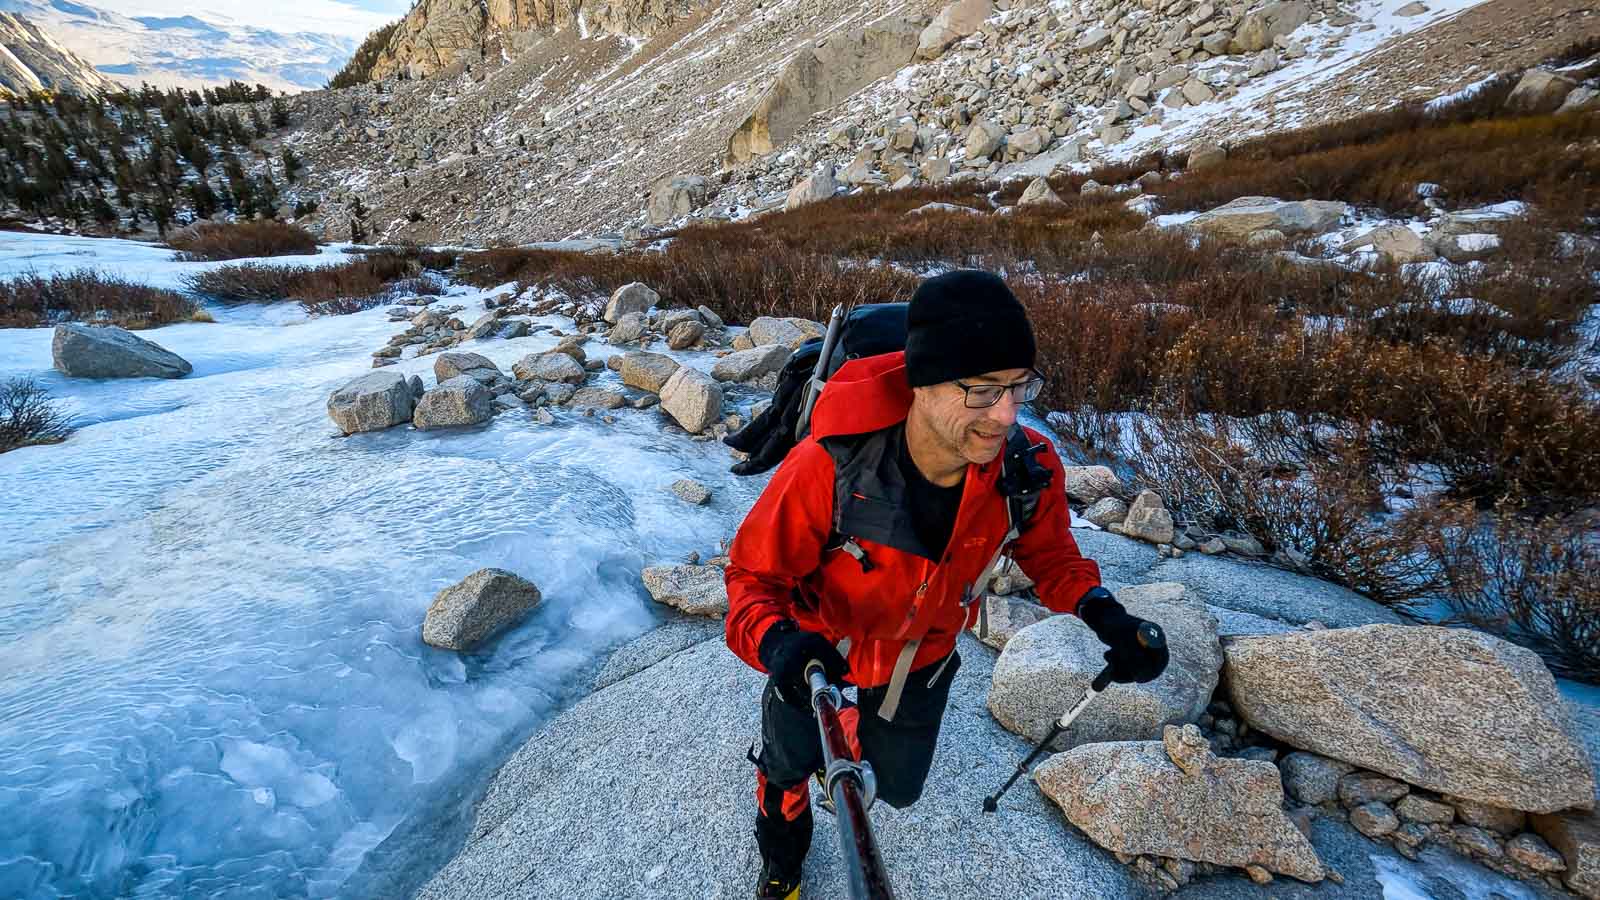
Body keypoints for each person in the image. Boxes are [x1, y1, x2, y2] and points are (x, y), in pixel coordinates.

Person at [723, 269, 1170, 900]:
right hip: (819, 655)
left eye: (1020, 387)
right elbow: (750, 578)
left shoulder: (1026, 468)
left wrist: (1105, 615)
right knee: (788, 764)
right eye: (984, 391)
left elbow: (1052, 555)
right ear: (922, 385)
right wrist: (777, 646)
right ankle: (782, 859)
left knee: (899, 789)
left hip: (920, 659)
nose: (1008, 415)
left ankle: (847, 736)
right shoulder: (830, 466)